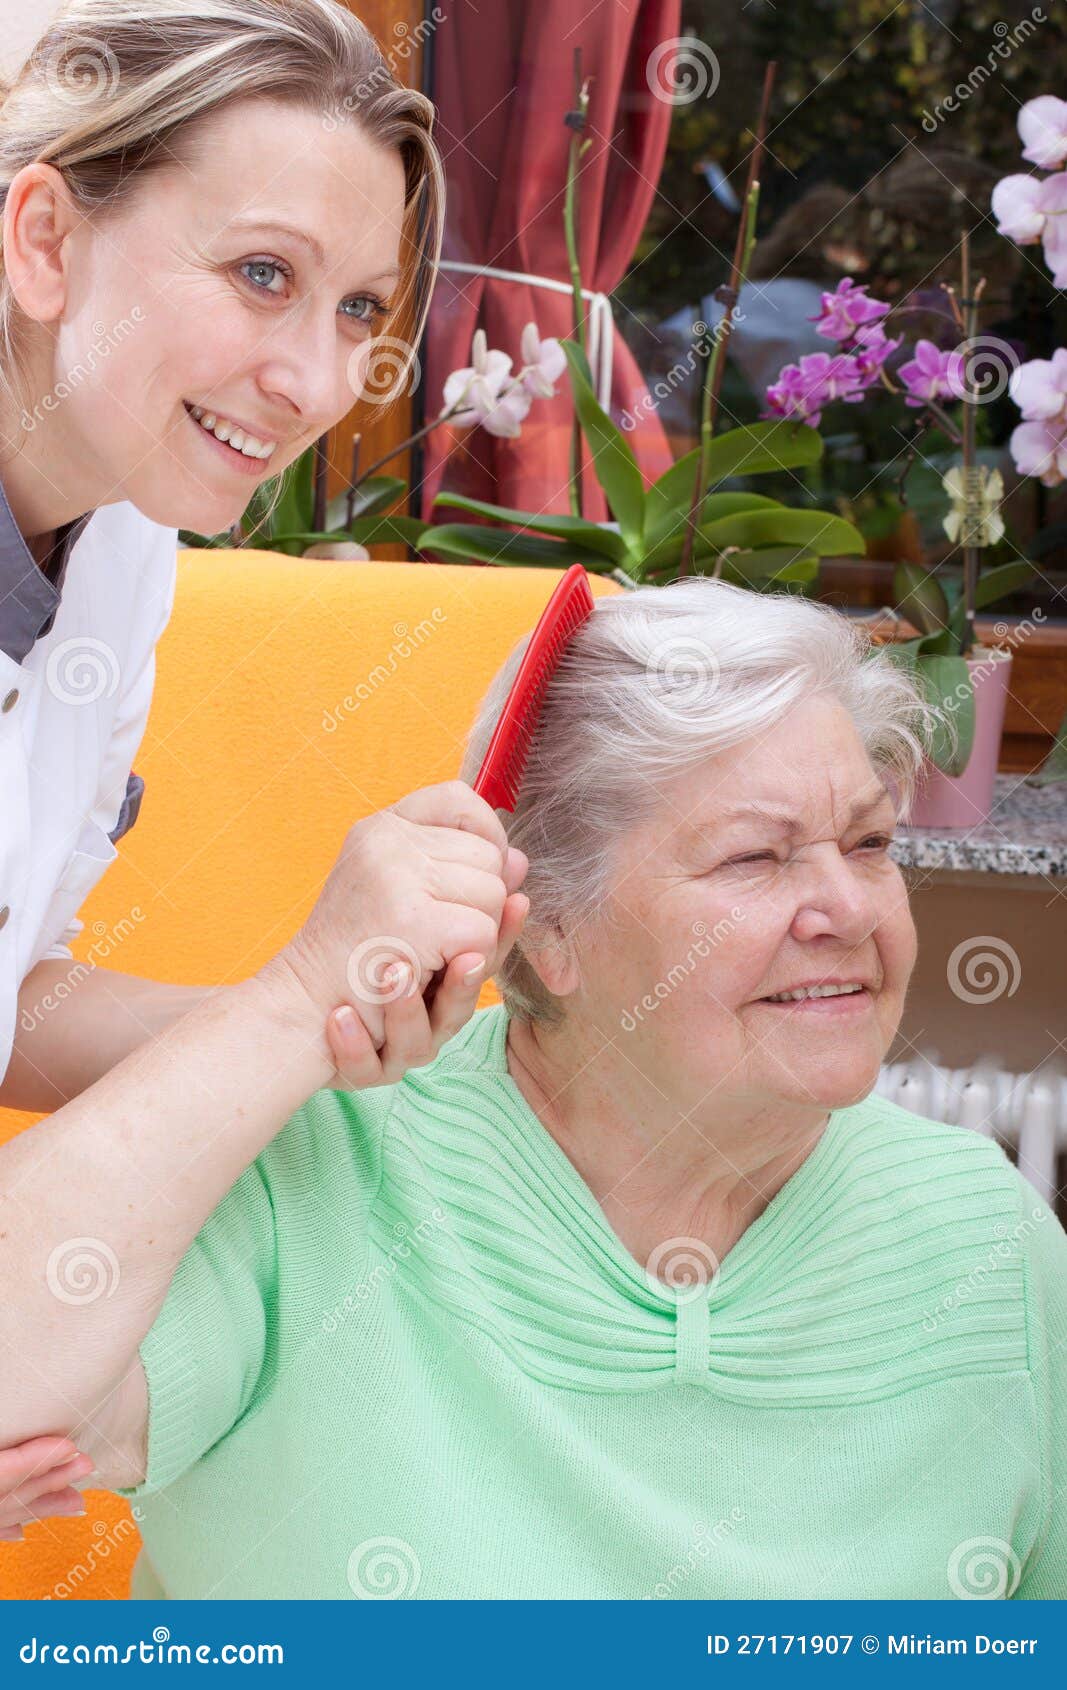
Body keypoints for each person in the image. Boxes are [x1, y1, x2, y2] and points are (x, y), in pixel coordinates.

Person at [10, 578, 1064, 1598]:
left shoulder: (983, 1234)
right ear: (545, 927)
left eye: (869, 843)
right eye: (754, 858)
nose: (849, 907)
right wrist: (292, 1003)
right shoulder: (308, 1169)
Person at [0, 0, 529, 1539]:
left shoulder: (119, 542)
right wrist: (291, 999)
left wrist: (321, 1014)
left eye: (359, 309)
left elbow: (14, 996)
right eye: (260, 275)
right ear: (44, 241)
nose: (314, 380)